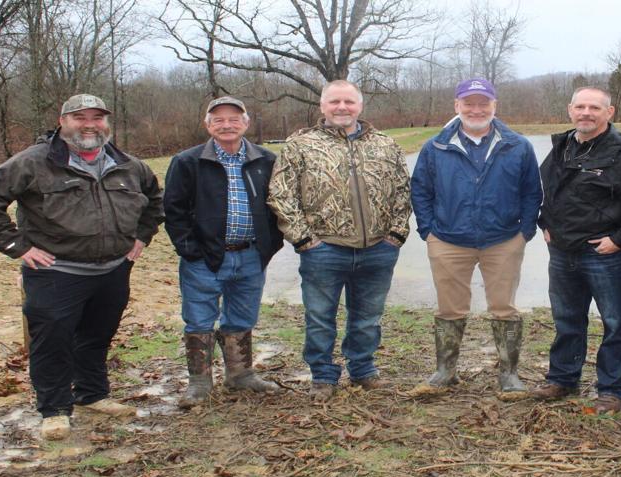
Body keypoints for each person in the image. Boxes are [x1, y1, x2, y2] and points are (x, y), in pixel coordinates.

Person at [0, 93, 164, 441]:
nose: (89, 125)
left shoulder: (129, 165)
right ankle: (54, 410)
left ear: (107, 123)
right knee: (52, 341)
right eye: (79, 117)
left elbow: (155, 200)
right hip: (57, 272)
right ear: (63, 121)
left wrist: (142, 235)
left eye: (97, 118)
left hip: (113, 270)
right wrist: (17, 246)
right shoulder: (33, 162)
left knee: (96, 337)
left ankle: (92, 395)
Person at [267, 79, 412, 399]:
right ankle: (323, 375)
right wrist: (305, 240)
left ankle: (362, 369)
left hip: (378, 249)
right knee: (320, 317)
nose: (342, 107)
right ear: (322, 107)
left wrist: (396, 235)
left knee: (368, 317)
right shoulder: (300, 145)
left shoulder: (385, 145)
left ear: (360, 106)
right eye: (335, 102)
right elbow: (281, 195)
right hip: (324, 250)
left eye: (349, 101)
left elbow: (403, 192)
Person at [531, 86, 621, 414]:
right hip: (563, 253)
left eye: (594, 107)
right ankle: (563, 378)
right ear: (570, 110)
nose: (586, 113)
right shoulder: (562, 146)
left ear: (610, 112)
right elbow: (546, 190)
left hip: (606, 254)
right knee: (566, 319)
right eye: (580, 107)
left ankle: (611, 389)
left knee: (616, 322)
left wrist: (619, 239)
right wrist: (544, 223)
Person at [409, 78, 542, 397]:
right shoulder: (435, 146)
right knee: (450, 308)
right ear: (457, 106)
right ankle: (446, 370)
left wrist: (524, 232)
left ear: (495, 106)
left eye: (484, 103)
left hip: (503, 239)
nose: (476, 109)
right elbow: (420, 190)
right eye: (469, 103)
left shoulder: (518, 145)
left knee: (504, 307)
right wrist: (428, 230)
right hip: (448, 240)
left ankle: (509, 374)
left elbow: (532, 192)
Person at [162, 95, 284, 408]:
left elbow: (279, 206)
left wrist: (269, 246)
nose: (226, 125)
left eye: (234, 119)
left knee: (243, 315)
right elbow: (173, 210)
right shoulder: (187, 162)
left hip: (250, 255)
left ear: (246, 123)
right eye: (219, 119)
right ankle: (200, 383)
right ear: (207, 125)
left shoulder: (266, 161)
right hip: (204, 258)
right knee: (199, 318)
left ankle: (239, 375)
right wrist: (190, 249)